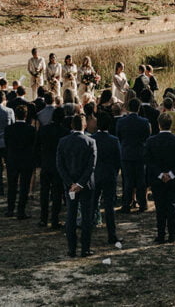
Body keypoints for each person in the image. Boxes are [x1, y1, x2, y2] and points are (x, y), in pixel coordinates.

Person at [57, 114, 98, 257]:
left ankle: (71, 249)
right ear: (85, 125)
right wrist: (80, 183)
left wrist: (70, 183)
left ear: (71, 126)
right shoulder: (90, 142)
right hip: (86, 184)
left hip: (70, 184)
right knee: (86, 217)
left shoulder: (63, 142)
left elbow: (60, 165)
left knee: (71, 215)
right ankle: (85, 248)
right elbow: (91, 165)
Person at [145, 113, 175, 244]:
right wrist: (172, 174)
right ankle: (172, 235)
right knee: (172, 205)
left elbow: (149, 161)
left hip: (158, 179)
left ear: (158, 125)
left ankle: (161, 234)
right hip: (173, 178)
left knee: (160, 207)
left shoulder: (151, 141)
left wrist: (161, 174)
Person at [91, 112, 123, 247]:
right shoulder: (113, 140)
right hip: (109, 175)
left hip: (95, 175)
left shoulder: (92, 139)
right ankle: (112, 235)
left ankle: (87, 232)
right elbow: (118, 160)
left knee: (91, 205)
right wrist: (114, 173)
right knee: (109, 207)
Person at [115, 97, 150, 213]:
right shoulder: (144, 122)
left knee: (128, 180)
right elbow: (146, 137)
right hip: (140, 152)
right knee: (140, 179)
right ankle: (142, 204)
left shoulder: (121, 122)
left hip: (126, 152)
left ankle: (126, 204)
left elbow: (119, 136)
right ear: (139, 108)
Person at [38, 106, 70, 229]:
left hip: (46, 163)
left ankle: (43, 218)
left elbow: (37, 146)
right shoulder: (65, 132)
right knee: (57, 193)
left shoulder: (44, 130)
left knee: (44, 192)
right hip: (58, 166)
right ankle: (55, 219)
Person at [5, 104, 38, 219]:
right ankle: (21, 210)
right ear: (26, 115)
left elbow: (6, 144)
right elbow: (34, 146)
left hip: (13, 159)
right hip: (26, 160)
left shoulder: (9, 129)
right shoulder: (31, 129)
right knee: (24, 186)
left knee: (12, 185)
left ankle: (10, 209)